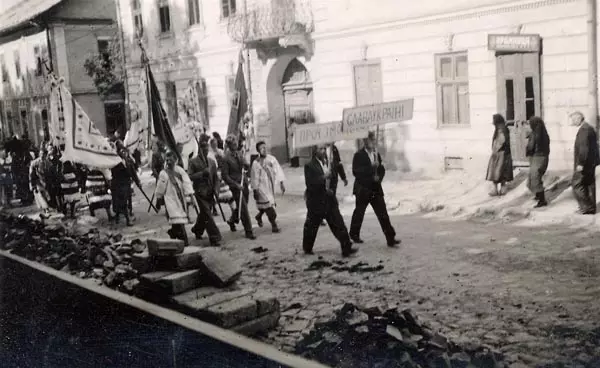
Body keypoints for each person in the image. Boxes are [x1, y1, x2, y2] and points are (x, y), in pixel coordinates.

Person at [303, 144, 357, 257]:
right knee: (311, 226)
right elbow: (310, 184)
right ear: (315, 151)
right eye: (320, 149)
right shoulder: (309, 166)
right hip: (316, 202)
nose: (323, 151)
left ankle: (346, 247)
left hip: (329, 200)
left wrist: (332, 189)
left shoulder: (330, 162)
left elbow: (333, 178)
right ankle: (307, 248)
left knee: (338, 223)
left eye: (324, 149)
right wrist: (323, 178)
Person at [349, 132, 400, 247]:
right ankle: (354, 234)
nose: (372, 142)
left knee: (383, 214)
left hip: (375, 189)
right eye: (369, 140)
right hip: (363, 189)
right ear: (365, 142)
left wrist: (379, 178)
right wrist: (371, 168)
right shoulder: (359, 155)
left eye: (373, 140)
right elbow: (356, 171)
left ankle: (390, 238)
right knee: (359, 212)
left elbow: (381, 169)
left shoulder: (376, 154)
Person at [155, 149, 195, 245]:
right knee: (177, 220)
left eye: (171, 160)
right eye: (167, 160)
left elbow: (186, 183)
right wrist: (159, 198)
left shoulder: (180, 170)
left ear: (175, 160)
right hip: (170, 199)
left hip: (180, 198)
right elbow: (160, 188)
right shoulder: (163, 173)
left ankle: (173, 233)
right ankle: (184, 242)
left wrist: (190, 195)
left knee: (179, 220)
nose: (169, 162)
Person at [188, 134, 222, 246]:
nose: (206, 151)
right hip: (200, 192)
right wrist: (202, 173)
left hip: (211, 192)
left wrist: (217, 190)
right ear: (200, 150)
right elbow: (190, 176)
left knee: (204, 214)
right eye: (204, 149)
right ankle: (214, 237)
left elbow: (216, 178)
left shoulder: (212, 162)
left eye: (207, 149)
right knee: (207, 214)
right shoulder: (193, 162)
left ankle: (197, 229)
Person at [221, 134, 256, 239]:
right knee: (244, 208)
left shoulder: (240, 153)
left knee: (242, 204)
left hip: (243, 182)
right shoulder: (225, 158)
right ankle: (248, 231)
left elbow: (246, 166)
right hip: (235, 185)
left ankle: (232, 220)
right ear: (229, 145)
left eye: (236, 143)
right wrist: (235, 185)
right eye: (233, 144)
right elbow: (225, 176)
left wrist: (246, 165)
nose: (236, 145)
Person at [251, 141, 285, 232]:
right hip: (261, 188)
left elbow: (278, 170)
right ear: (258, 150)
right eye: (262, 148)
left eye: (265, 147)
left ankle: (259, 216)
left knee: (267, 205)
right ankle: (274, 226)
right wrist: (255, 190)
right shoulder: (256, 163)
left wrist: (281, 183)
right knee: (269, 207)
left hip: (270, 186)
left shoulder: (272, 159)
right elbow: (254, 177)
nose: (264, 149)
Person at [570, 111, 600, 214]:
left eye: (574, 120)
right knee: (589, 184)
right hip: (590, 163)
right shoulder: (589, 128)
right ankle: (591, 208)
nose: (573, 122)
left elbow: (584, 149)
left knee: (576, 184)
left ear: (579, 119)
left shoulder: (584, 130)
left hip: (584, 164)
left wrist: (580, 164)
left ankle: (586, 207)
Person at [320, 142, 348, 226]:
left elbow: (339, 164)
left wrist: (344, 178)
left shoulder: (334, 149)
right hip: (324, 178)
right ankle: (321, 217)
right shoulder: (320, 148)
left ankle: (332, 217)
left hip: (333, 178)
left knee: (332, 197)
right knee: (323, 198)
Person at [111, 147, 140, 226]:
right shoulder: (115, 163)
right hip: (117, 185)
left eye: (125, 152)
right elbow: (113, 174)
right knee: (121, 202)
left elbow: (133, 173)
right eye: (122, 152)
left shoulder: (129, 161)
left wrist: (138, 182)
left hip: (126, 185)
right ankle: (127, 220)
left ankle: (120, 217)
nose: (124, 153)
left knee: (125, 201)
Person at [486, 114, 514, 196]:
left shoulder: (500, 129)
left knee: (497, 171)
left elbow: (501, 140)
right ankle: (502, 188)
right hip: (503, 153)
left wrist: (496, 149)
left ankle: (496, 189)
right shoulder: (503, 128)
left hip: (500, 153)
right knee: (502, 171)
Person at [526, 117, 550, 208]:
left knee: (534, 179)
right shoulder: (545, 134)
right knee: (536, 177)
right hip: (544, 158)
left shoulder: (534, 134)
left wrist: (527, 150)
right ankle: (537, 195)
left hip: (536, 158)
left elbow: (531, 147)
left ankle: (542, 200)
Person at [29, 144, 51, 218]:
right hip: (38, 182)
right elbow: (31, 175)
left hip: (45, 182)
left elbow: (50, 173)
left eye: (43, 154)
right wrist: (33, 185)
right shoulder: (35, 162)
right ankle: (47, 210)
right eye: (40, 154)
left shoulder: (48, 163)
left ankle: (45, 210)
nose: (42, 155)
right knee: (40, 196)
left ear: (45, 155)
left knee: (45, 196)